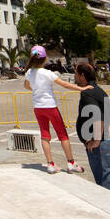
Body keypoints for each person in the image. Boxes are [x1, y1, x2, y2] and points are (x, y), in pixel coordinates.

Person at [23, 45, 89, 175]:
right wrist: (81, 88)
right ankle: (70, 163)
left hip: (38, 107)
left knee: (45, 134)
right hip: (50, 106)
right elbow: (65, 84)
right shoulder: (48, 73)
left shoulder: (29, 72)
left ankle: (50, 164)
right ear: (45, 58)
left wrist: (36, 91)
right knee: (62, 134)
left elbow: (26, 86)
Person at [73, 62, 110, 193]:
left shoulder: (87, 93)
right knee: (108, 182)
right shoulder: (99, 91)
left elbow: (97, 117)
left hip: (99, 146)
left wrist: (97, 140)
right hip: (106, 143)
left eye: (76, 74)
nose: (74, 77)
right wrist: (108, 134)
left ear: (82, 76)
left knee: (107, 186)